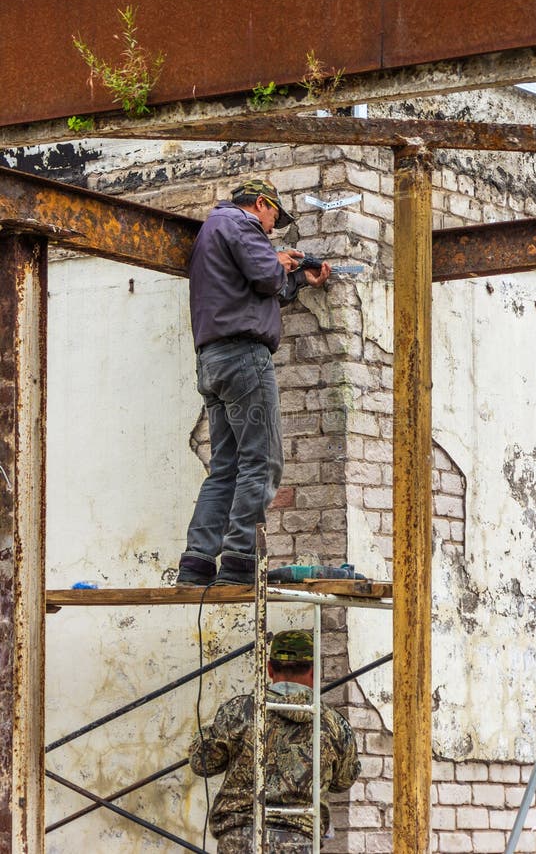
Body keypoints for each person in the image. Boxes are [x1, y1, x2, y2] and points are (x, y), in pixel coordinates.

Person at [176, 178, 331, 588]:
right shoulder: (241, 225)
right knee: (262, 462)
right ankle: (241, 561)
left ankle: (196, 563)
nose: (271, 230)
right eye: (273, 220)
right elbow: (265, 277)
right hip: (244, 357)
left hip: (212, 360)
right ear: (261, 204)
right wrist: (278, 260)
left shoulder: (213, 231)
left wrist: (297, 278)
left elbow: (258, 290)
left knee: (225, 468)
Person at [189, 629, 361, 853]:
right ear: (314, 671)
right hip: (300, 841)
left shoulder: (239, 712)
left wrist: (203, 735)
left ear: (269, 669)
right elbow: (344, 781)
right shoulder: (334, 724)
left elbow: (202, 763)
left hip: (240, 840)